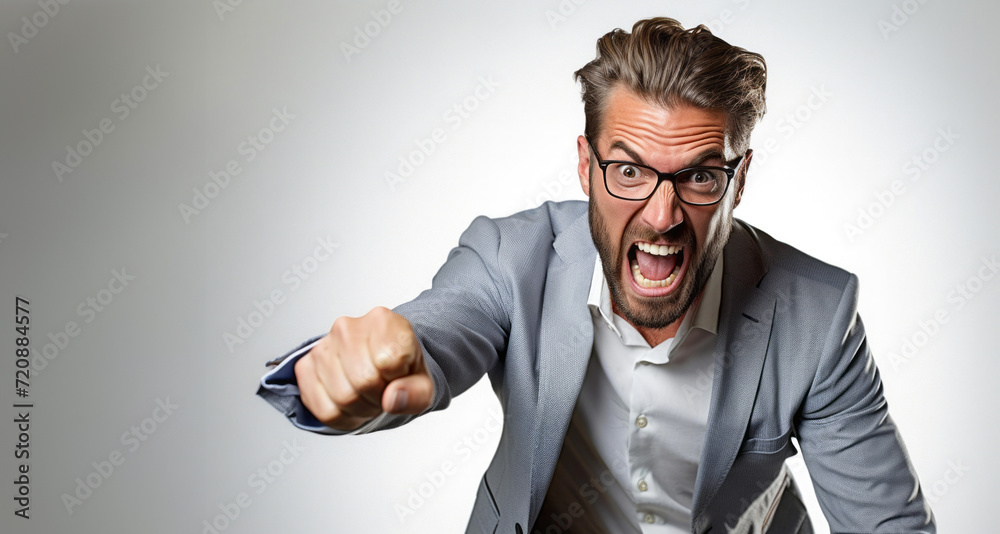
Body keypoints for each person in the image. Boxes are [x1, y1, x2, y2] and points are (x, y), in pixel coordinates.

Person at [257, 17, 935, 534]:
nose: (663, 215)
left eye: (699, 175)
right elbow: (437, 333)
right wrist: (360, 371)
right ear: (586, 166)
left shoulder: (817, 313)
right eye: (630, 170)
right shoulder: (510, 258)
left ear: (740, 179)